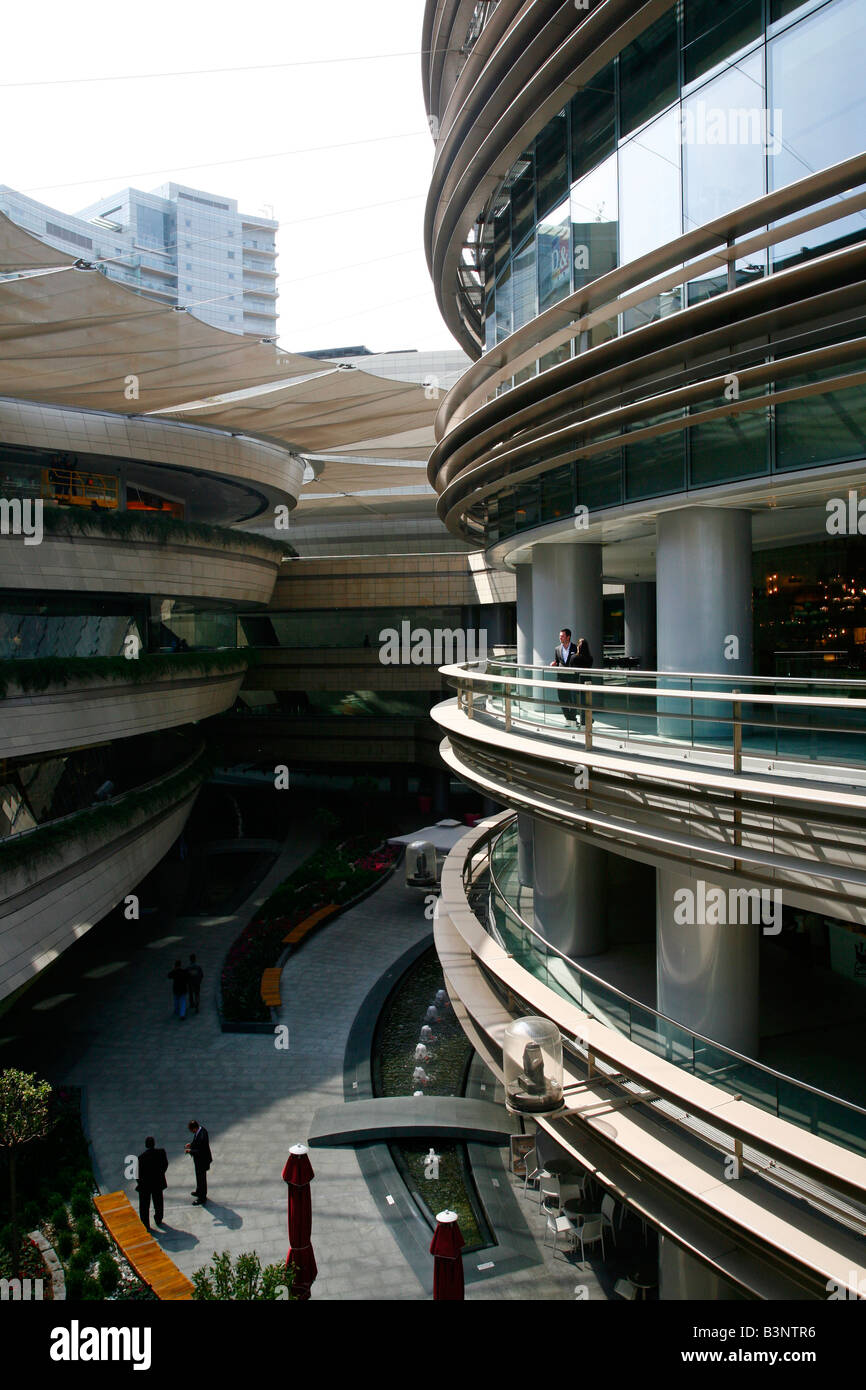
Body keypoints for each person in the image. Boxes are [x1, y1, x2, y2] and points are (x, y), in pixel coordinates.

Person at [136, 1136, 168, 1231]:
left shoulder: (141, 1158)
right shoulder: (161, 1153)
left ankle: (145, 1224)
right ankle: (158, 1218)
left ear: (146, 1145)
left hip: (145, 1184)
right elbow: (165, 1164)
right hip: (158, 1182)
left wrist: (140, 1182)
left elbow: (137, 1174)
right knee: (158, 1202)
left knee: (144, 1206)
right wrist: (160, 1174)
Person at [551, 627, 581, 724]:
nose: (560, 638)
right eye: (560, 636)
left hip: (572, 678)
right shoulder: (557, 649)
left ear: (568, 637)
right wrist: (554, 663)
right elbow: (557, 660)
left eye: (562, 636)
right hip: (561, 678)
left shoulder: (575, 648)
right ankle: (568, 719)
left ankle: (572, 719)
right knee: (562, 699)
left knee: (573, 700)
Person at [185, 1120, 212, 1204]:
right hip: (199, 1160)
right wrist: (191, 1145)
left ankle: (202, 1197)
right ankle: (199, 1191)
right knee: (199, 1177)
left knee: (201, 1179)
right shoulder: (200, 1131)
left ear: (195, 1128)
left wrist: (190, 1151)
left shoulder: (202, 1135)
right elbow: (196, 1142)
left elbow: (200, 1150)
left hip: (202, 1160)